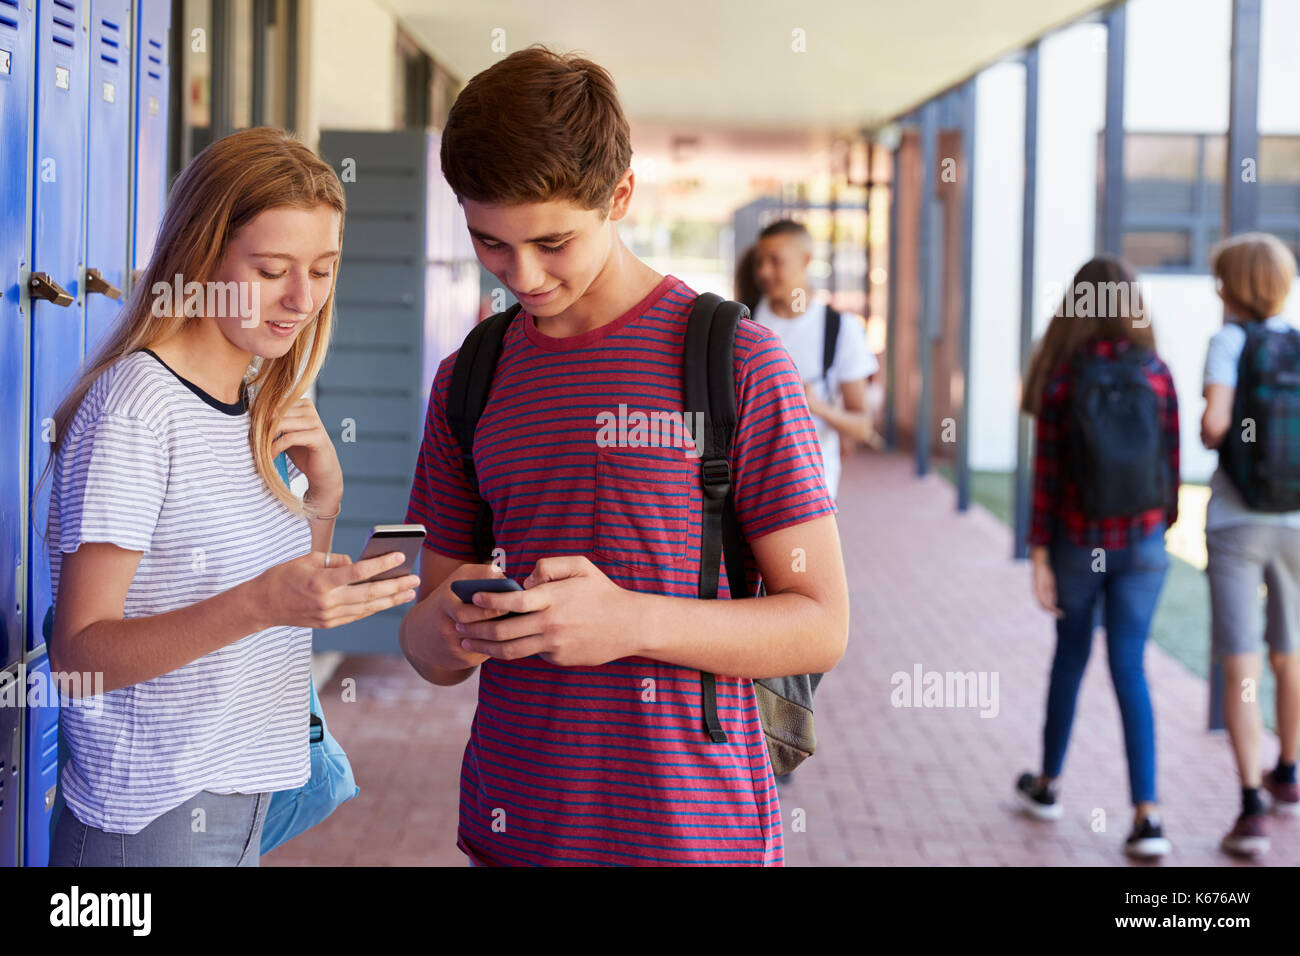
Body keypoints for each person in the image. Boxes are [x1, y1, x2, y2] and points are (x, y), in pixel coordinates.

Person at [397, 46, 850, 867]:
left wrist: (629, 621)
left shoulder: (735, 361)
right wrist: (458, 623)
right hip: (516, 824)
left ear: (622, 195)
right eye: (490, 243)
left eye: (554, 242)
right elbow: (427, 652)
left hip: (693, 833)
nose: (523, 275)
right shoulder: (469, 377)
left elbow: (821, 623)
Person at [43, 127, 419, 866]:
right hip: (149, 820)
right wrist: (259, 603)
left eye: (322, 268)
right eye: (272, 268)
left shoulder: (254, 398)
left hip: (246, 803)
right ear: (201, 258)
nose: (301, 298)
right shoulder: (137, 410)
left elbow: (282, 602)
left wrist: (325, 502)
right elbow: (77, 655)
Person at [1015, 256, 1180, 860]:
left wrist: (1038, 556)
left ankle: (1050, 785)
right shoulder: (1157, 373)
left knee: (1071, 658)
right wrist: (1154, 537)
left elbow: (1048, 480)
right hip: (1140, 547)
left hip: (1078, 546)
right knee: (1130, 667)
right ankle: (1148, 816)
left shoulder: (1061, 380)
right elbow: (1171, 469)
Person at [1199, 232, 1300, 859]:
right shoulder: (1297, 342)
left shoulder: (1227, 342)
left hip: (1237, 521)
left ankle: (1250, 806)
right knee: (1290, 653)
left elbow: (1215, 424)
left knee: (1240, 660)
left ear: (1232, 287)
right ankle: (1289, 771)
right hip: (1296, 521)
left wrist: (1217, 432)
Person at [750, 219, 880, 501]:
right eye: (760, 262)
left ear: (806, 260)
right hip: (748, 486)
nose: (764, 271)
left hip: (811, 491)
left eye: (775, 261)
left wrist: (817, 407)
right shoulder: (742, 322)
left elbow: (862, 426)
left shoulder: (840, 329)